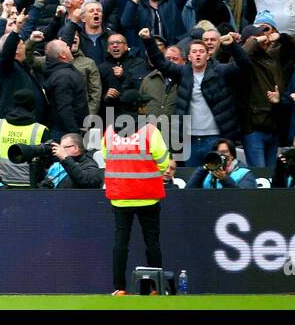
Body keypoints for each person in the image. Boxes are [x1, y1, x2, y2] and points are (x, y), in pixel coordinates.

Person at [102, 118, 174, 295]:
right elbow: (164, 162)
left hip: (121, 197)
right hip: (147, 196)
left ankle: (119, 288)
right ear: (140, 110)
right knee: (152, 243)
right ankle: (156, 288)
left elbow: (106, 158)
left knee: (120, 243)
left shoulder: (110, 132)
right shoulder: (150, 131)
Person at [185, 138, 256, 188]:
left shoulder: (244, 173)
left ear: (232, 156)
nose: (221, 155)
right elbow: (188, 193)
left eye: (225, 152)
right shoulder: (206, 173)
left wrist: (225, 179)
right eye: (217, 153)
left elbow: (245, 196)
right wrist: (203, 169)